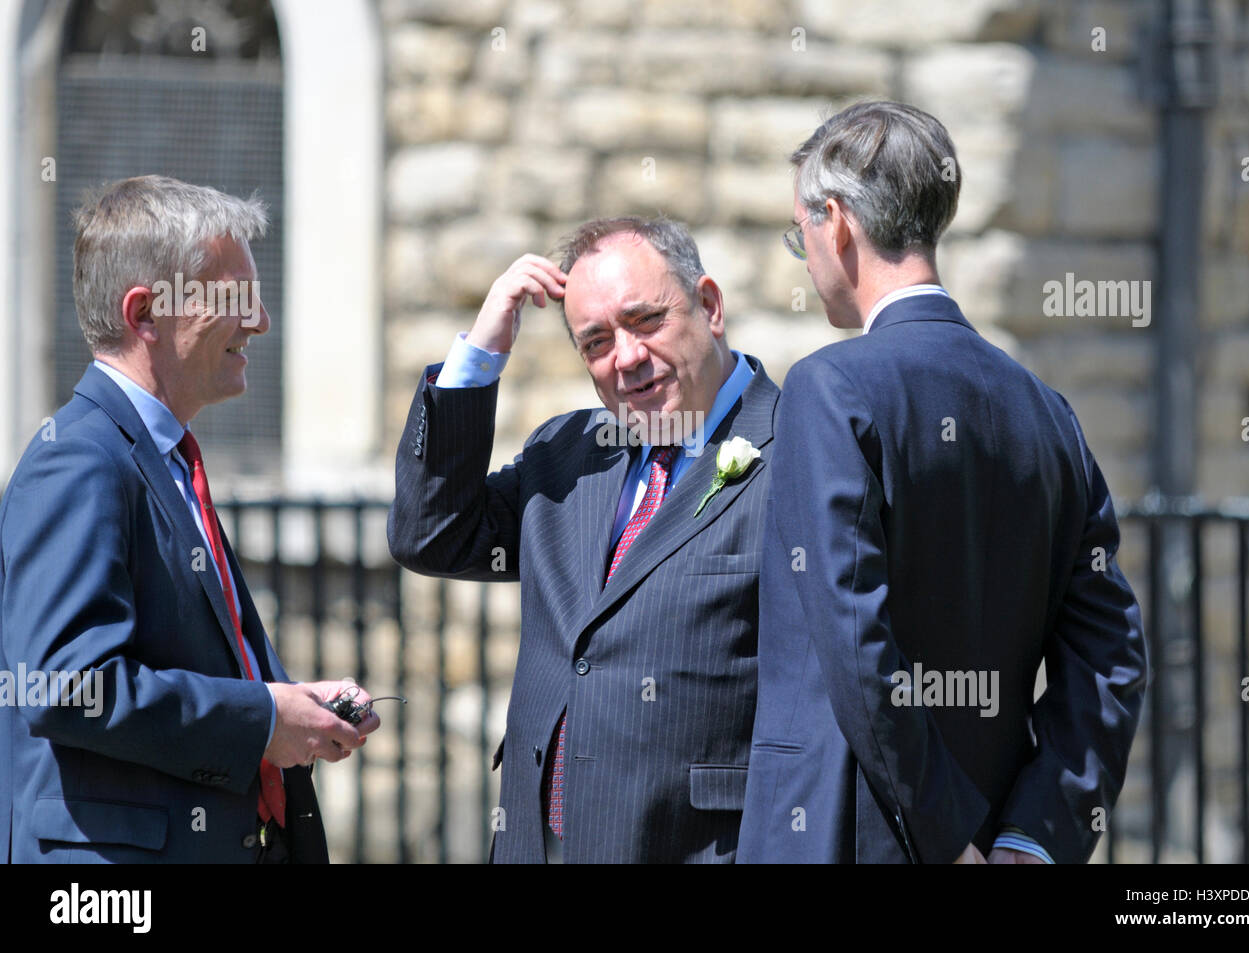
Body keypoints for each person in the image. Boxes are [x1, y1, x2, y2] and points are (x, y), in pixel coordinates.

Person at [737, 101, 1147, 864]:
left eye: (800, 236)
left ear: (837, 222)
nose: (807, 256)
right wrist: (1035, 834)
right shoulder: (1048, 412)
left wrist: (946, 835)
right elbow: (1111, 656)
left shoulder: (830, 388)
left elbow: (860, 641)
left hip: (844, 836)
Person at [0, 175, 379, 863]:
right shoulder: (79, 461)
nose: (260, 320)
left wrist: (291, 703)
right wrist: (262, 719)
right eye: (234, 298)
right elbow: (67, 685)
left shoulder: (164, 455)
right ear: (145, 313)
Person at [388, 216, 778, 863]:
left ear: (709, 305)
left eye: (646, 320)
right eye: (595, 341)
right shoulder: (567, 454)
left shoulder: (797, 451)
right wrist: (480, 355)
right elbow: (428, 534)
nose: (624, 358)